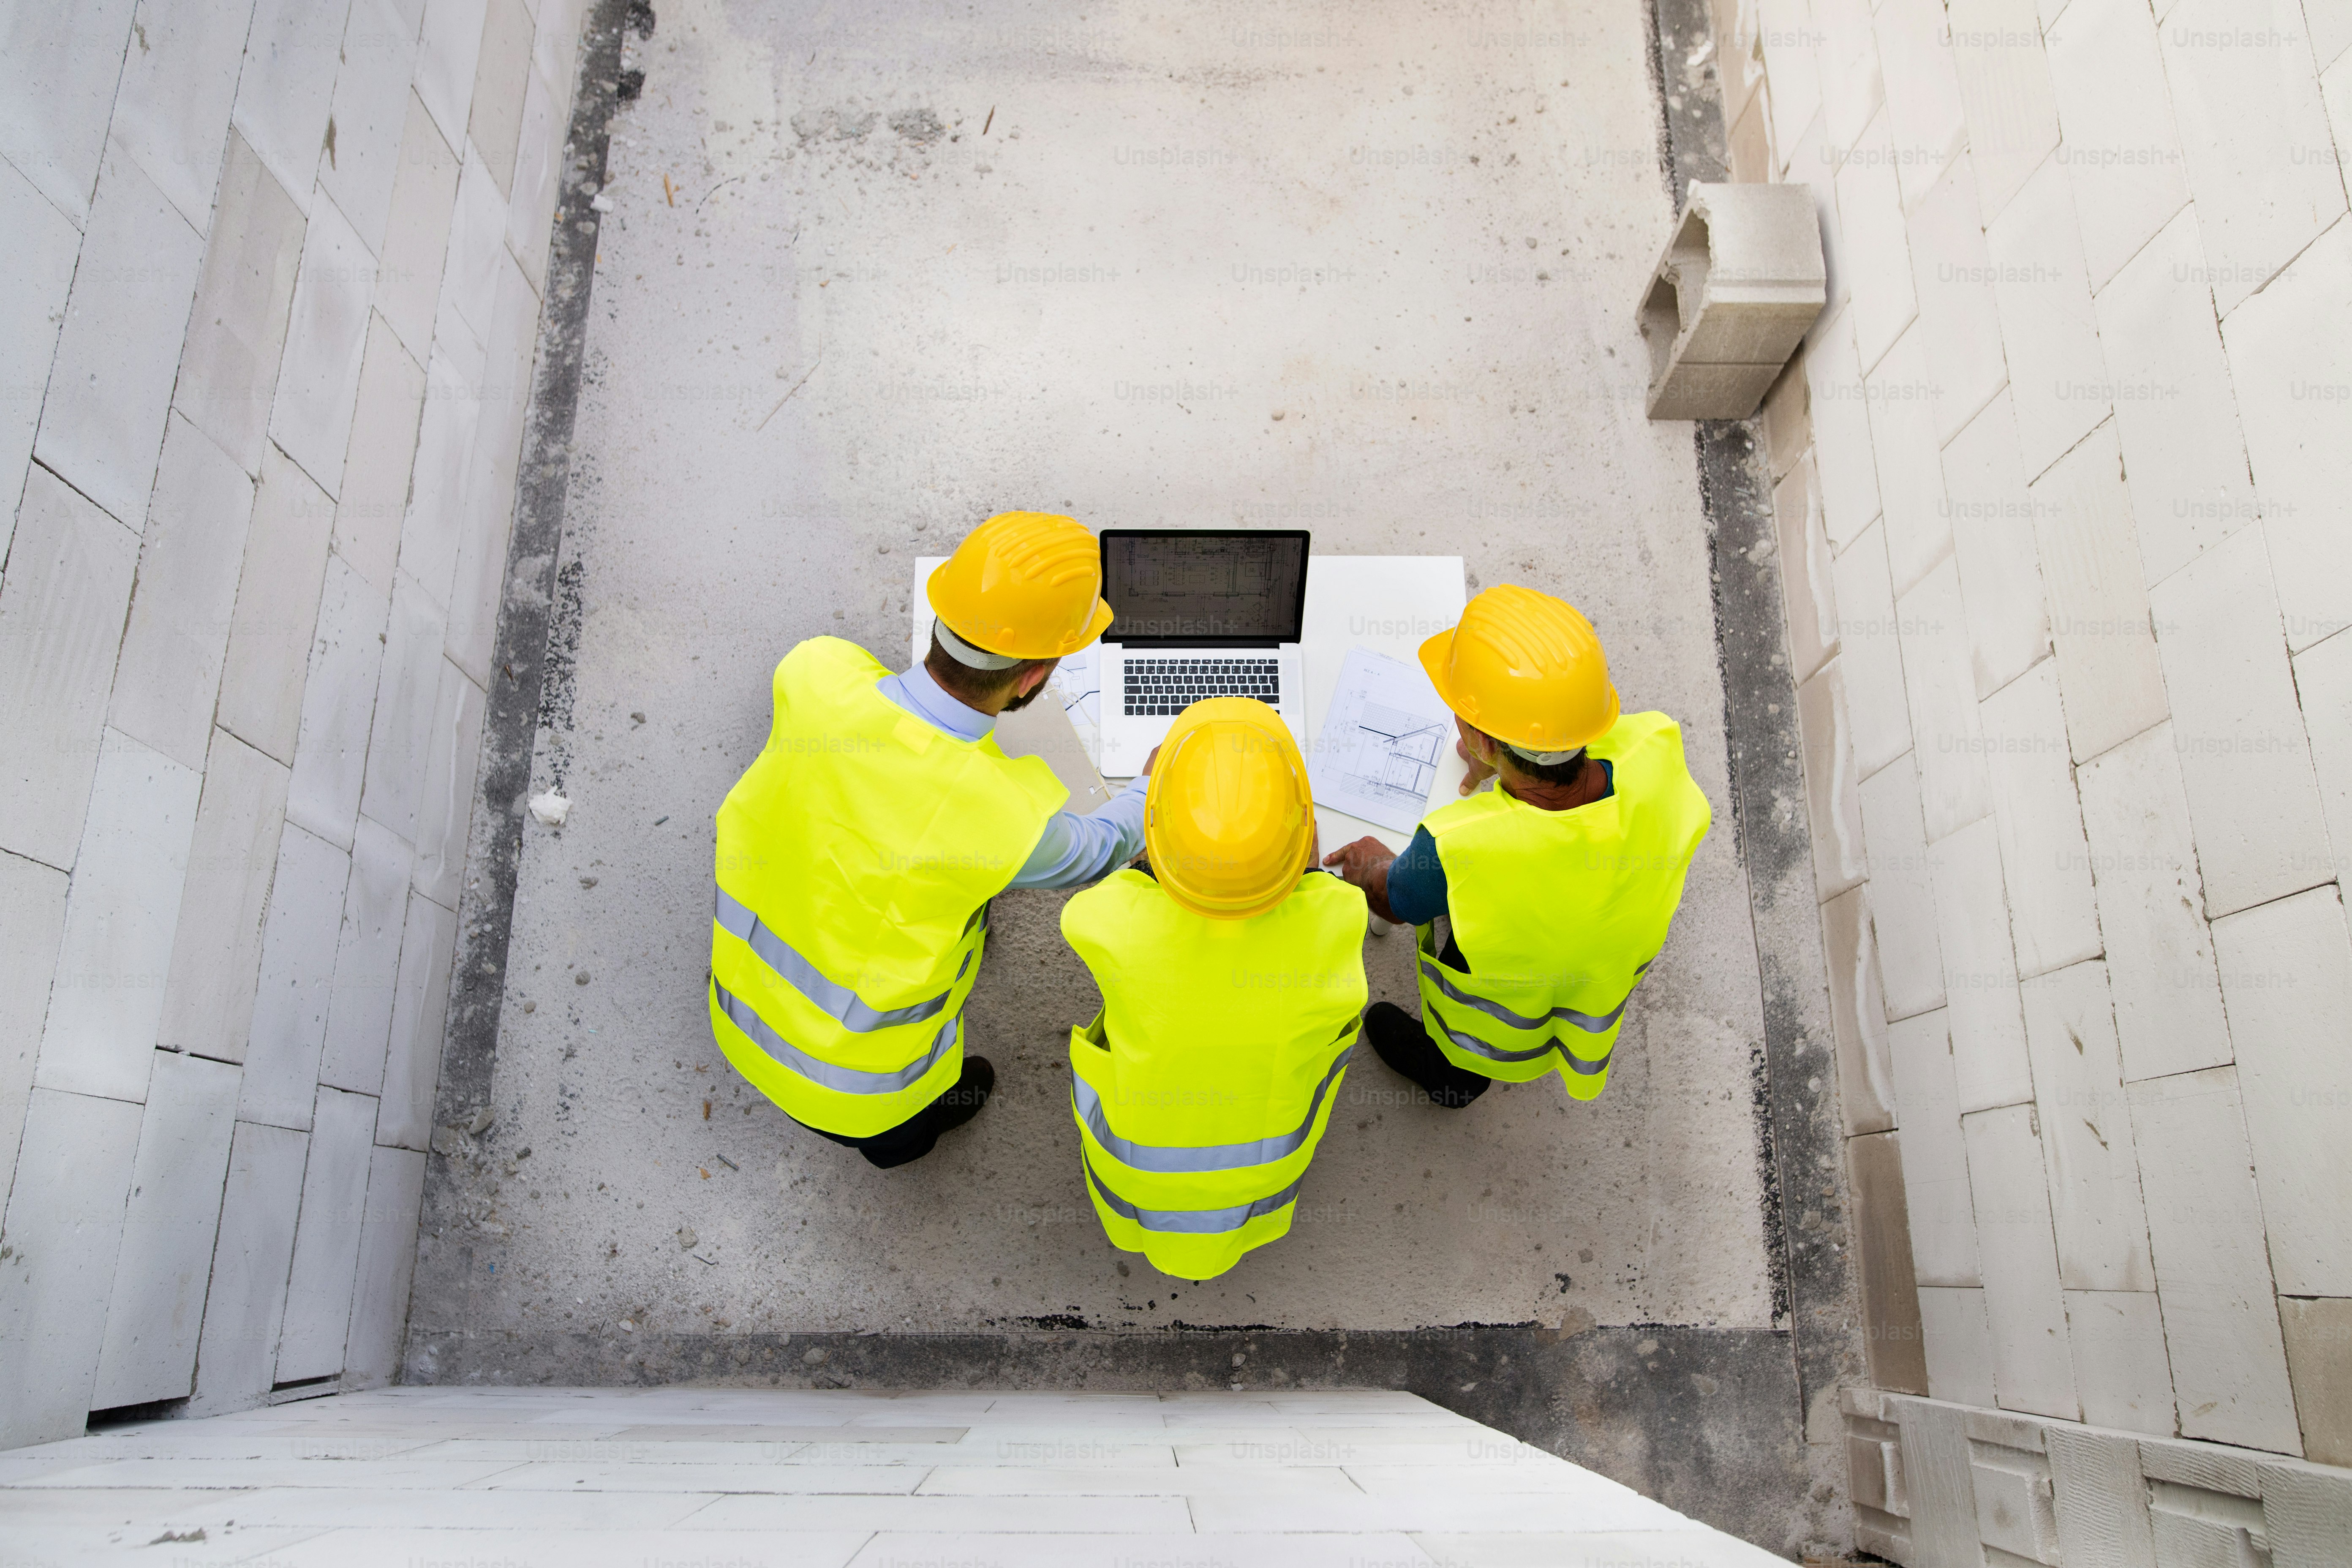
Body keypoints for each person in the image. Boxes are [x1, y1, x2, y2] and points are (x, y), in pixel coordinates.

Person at [709, 511, 1156, 1168]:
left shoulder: (813, 673)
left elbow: (876, 735)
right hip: (861, 1092)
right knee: (899, 1137)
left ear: (943, 612)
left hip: (736, 1016)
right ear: (1033, 677)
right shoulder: (1005, 824)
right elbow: (1101, 848)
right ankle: (910, 1137)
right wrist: (1156, 786)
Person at [1322, 584, 1710, 1108]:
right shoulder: (1656, 744)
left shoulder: (1461, 849)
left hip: (1513, 999)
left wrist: (1372, 866)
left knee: (1463, 1056)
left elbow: (1394, 899)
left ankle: (1455, 1081)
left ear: (1480, 740)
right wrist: (1504, 761)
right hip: (1603, 943)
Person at [1061, 697, 1367, 1279]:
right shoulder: (1336, 919)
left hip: (1130, 1186)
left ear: (1156, 839)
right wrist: (1295, 861)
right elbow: (1327, 897)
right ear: (1303, 836)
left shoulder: (1110, 918)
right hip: (1259, 1189)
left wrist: (1154, 821)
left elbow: (1102, 898)